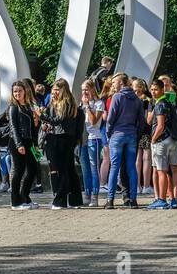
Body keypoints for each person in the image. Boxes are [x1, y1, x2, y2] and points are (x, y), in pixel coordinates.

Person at [43, 79, 84, 209]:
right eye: (53, 89)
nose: (54, 92)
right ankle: (75, 200)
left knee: (62, 170)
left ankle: (60, 201)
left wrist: (41, 115)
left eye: (57, 89)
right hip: (67, 138)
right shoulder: (66, 102)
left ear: (63, 90)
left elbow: (57, 121)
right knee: (69, 169)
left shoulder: (65, 103)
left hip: (62, 138)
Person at [104, 73, 143, 209]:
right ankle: (133, 200)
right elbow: (141, 120)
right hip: (131, 134)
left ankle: (110, 200)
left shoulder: (117, 97)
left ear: (121, 82)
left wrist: (108, 133)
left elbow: (110, 118)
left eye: (114, 82)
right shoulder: (137, 99)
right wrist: (136, 133)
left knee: (115, 167)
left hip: (117, 134)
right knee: (131, 167)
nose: (113, 84)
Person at [147, 76, 177, 209]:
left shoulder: (160, 104)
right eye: (152, 89)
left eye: (156, 89)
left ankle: (161, 199)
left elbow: (160, 125)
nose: (153, 92)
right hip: (174, 139)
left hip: (162, 140)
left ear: (162, 90)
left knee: (161, 171)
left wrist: (153, 139)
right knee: (175, 169)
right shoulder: (171, 102)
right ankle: (174, 199)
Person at [8, 79, 40, 210]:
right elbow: (13, 127)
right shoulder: (13, 107)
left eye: (19, 91)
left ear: (25, 91)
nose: (17, 94)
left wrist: (36, 144)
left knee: (33, 169)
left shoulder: (28, 106)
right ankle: (15, 202)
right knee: (19, 171)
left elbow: (33, 128)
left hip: (30, 142)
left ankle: (25, 197)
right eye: (15, 91)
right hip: (18, 142)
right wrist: (19, 144)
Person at [81, 79, 106, 207]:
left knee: (94, 168)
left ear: (92, 89)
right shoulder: (82, 104)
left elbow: (94, 121)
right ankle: (87, 194)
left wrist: (87, 106)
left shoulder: (99, 103)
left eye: (86, 89)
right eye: (82, 90)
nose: (84, 92)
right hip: (83, 139)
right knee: (85, 169)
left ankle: (95, 197)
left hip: (94, 138)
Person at [132, 78, 154, 196]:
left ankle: (137, 186)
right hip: (145, 130)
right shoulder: (148, 100)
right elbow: (148, 119)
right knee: (146, 158)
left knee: (138, 159)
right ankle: (146, 186)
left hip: (135, 131)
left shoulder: (132, 100)